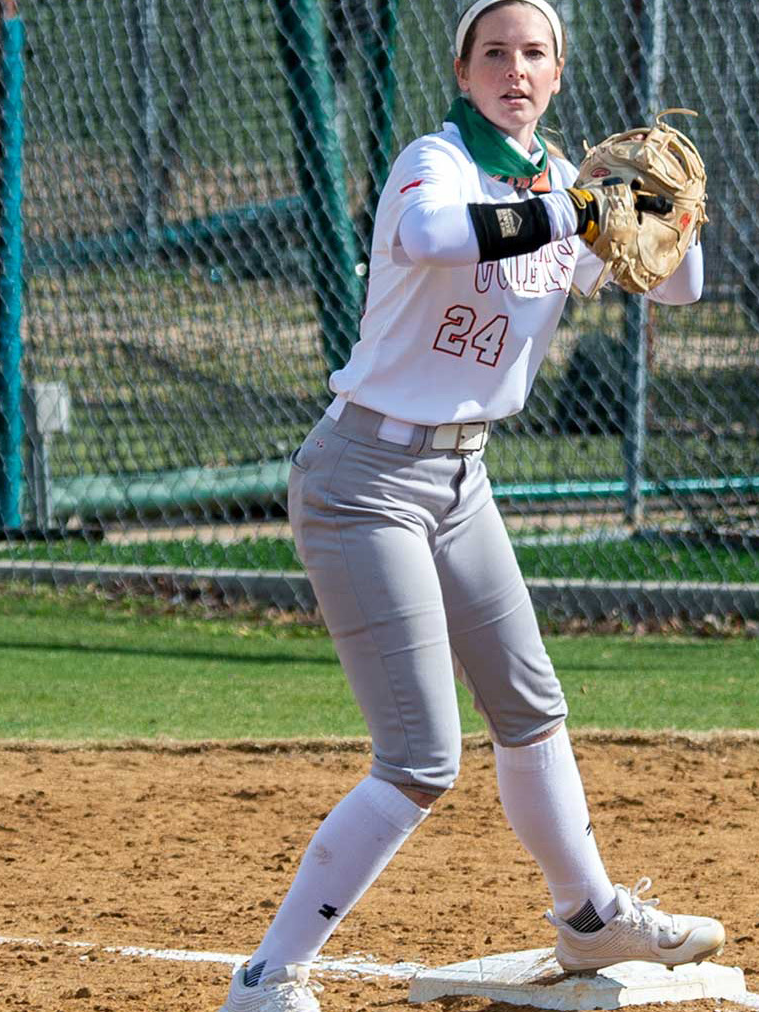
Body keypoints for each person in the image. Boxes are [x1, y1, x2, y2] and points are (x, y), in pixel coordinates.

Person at [216, 2, 716, 1010]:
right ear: (463, 68)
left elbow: (679, 289)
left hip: (460, 481)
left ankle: (588, 918)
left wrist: (675, 214)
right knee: (420, 757)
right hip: (364, 482)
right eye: (496, 52)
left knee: (532, 710)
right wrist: (576, 209)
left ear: (559, 74)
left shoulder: (559, 185)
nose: (516, 69)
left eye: (535, 54)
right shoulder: (435, 162)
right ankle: (268, 976)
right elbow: (434, 234)